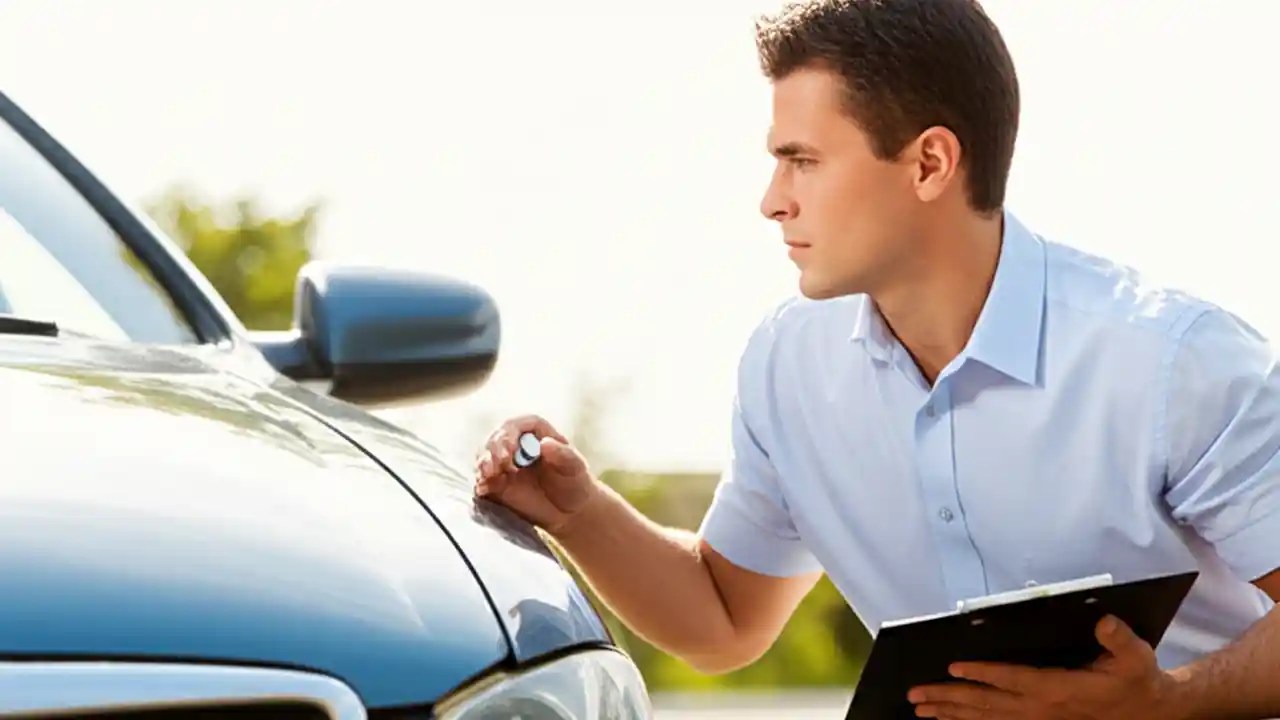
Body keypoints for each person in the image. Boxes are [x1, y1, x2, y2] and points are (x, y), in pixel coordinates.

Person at [473, 1, 1280, 717]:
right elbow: (724, 621)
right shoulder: (788, 365)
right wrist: (578, 513)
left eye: (803, 159)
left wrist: (1169, 704)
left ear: (929, 163)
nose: (772, 199)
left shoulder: (1173, 363)